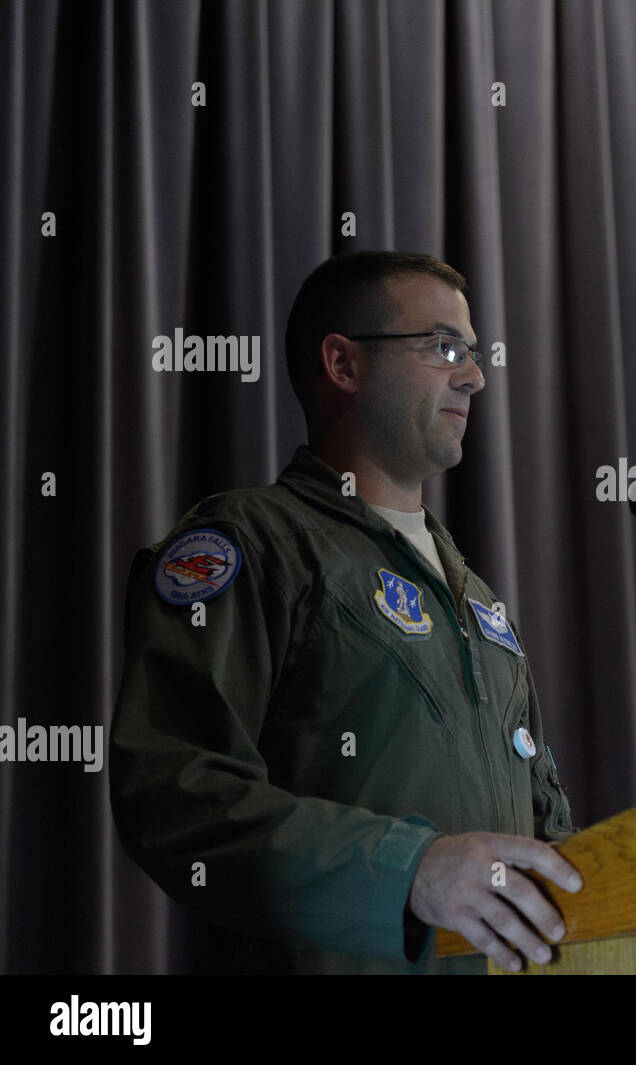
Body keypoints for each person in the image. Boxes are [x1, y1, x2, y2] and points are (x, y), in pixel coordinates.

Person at [110, 250, 583, 974]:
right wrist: (411, 870)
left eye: (475, 352)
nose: (475, 375)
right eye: (444, 347)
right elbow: (176, 793)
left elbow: (547, 831)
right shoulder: (251, 541)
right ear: (344, 364)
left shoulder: (478, 598)